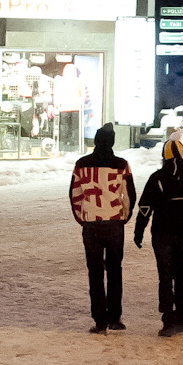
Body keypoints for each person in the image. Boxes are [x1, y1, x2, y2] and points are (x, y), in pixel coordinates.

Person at [133, 136, 183, 337]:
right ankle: (181, 318)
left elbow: (145, 206)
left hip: (162, 232)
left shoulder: (157, 177)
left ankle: (167, 320)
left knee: (165, 275)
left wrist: (139, 231)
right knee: (181, 274)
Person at [69, 123, 134, 332]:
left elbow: (75, 194)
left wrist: (83, 218)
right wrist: (123, 217)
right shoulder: (121, 165)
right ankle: (115, 317)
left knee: (95, 272)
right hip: (114, 224)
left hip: (91, 224)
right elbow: (129, 195)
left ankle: (99, 320)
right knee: (115, 270)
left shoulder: (81, 164)